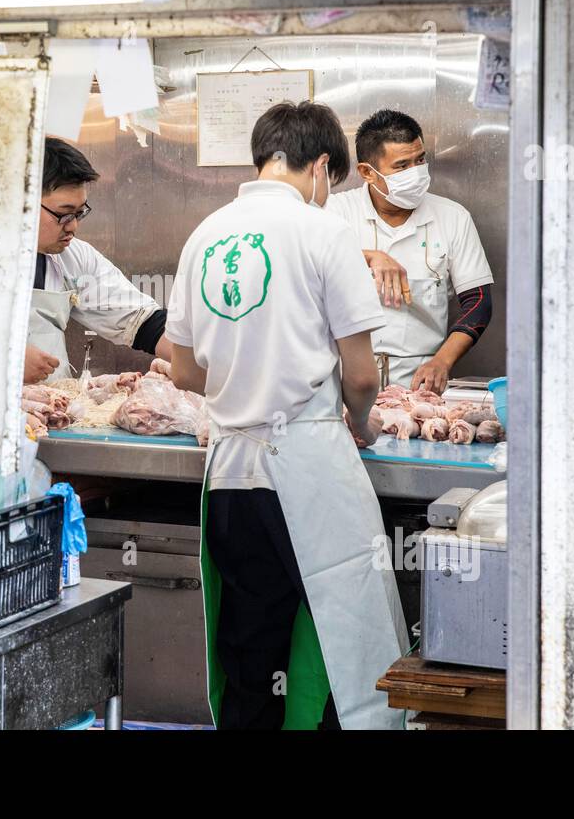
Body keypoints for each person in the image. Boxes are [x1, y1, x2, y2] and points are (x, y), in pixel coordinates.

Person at [165, 100, 407, 730]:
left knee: (250, 644)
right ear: (322, 166)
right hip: (309, 471)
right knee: (337, 635)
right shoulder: (323, 232)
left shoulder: (203, 235)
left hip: (231, 474)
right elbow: (359, 373)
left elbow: (186, 373)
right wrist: (362, 419)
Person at [326, 109, 495, 393]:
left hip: (418, 383)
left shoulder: (453, 217)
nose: (415, 173)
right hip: (343, 377)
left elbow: (478, 303)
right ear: (368, 172)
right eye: (402, 166)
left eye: (420, 160)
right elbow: (295, 268)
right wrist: (366, 256)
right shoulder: (334, 212)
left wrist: (441, 362)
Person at [25, 138, 172, 383]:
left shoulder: (74, 256)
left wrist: (209, 361)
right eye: (63, 214)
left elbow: (143, 323)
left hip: (52, 412)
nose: (73, 226)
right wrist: (0, 361)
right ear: (23, 204)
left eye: (79, 213)